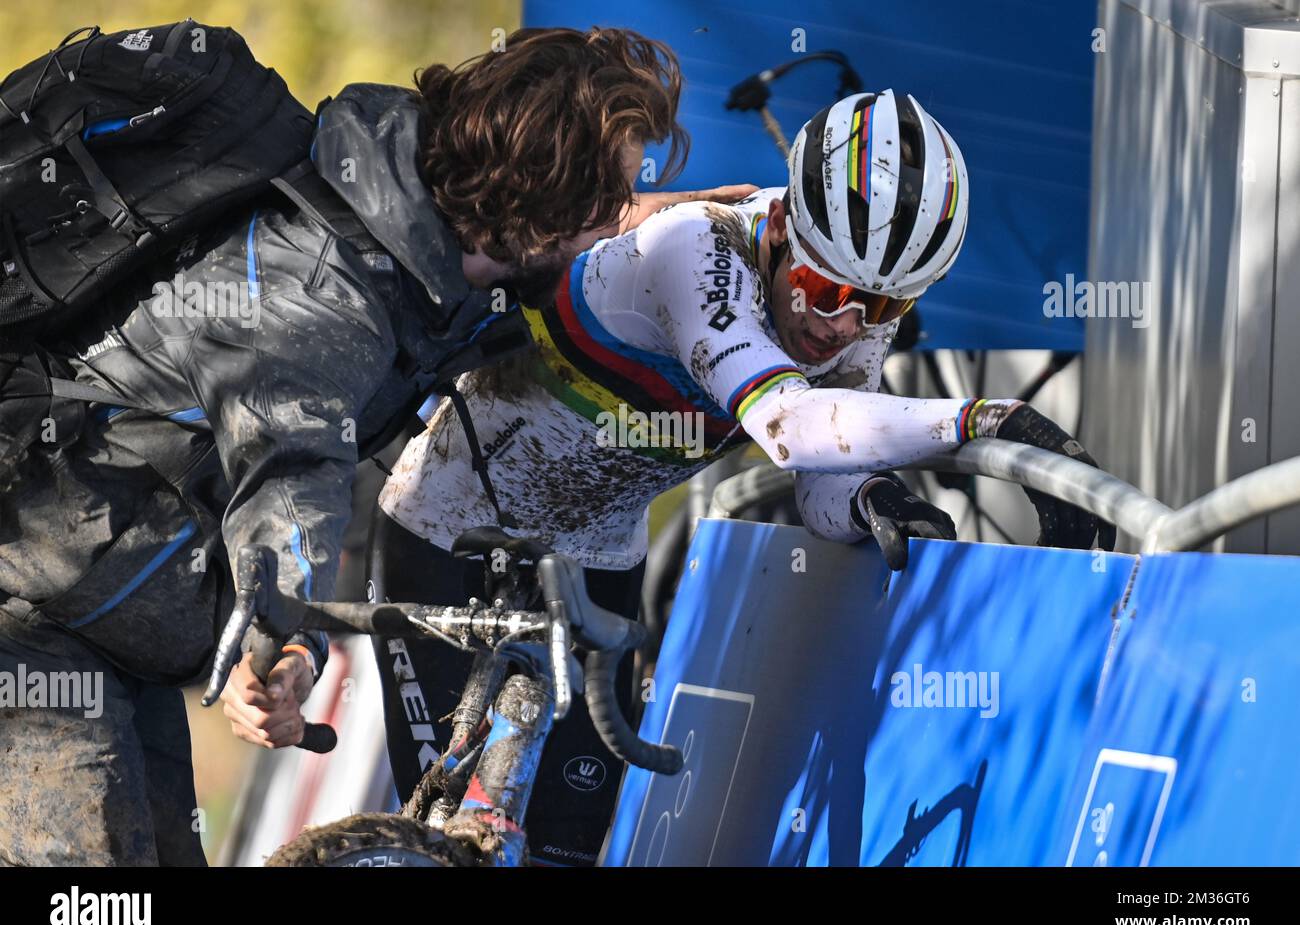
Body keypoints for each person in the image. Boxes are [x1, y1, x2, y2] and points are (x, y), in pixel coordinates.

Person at [0, 24, 739, 866]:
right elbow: (291, 486)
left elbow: (309, 475)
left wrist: (720, 219)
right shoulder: (320, 297)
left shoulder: (421, 256)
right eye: (606, 200)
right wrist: (280, 643)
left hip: (108, 625)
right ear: (538, 207)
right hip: (31, 608)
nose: (619, 222)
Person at [370, 89, 1115, 866]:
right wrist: (984, 422)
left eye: (882, 304)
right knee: (440, 844)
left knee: (569, 851)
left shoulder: (850, 306)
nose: (842, 327)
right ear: (787, 227)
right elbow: (791, 427)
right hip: (450, 529)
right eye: (825, 292)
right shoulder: (696, 250)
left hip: (598, 555)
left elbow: (825, 474)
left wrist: (872, 497)